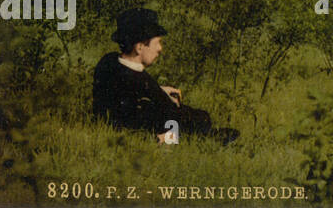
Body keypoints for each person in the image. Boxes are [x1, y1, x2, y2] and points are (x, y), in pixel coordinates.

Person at [92, 8, 238, 145]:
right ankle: (203, 137)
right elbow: (128, 125)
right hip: (164, 130)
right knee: (199, 119)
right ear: (139, 47)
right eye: (157, 43)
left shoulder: (110, 63)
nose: (160, 49)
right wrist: (165, 138)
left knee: (196, 118)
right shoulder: (134, 85)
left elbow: (132, 86)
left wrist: (159, 90)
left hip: (160, 117)